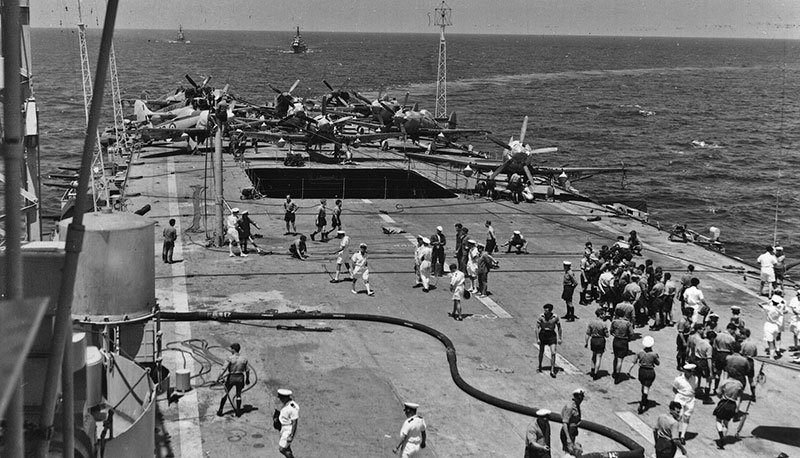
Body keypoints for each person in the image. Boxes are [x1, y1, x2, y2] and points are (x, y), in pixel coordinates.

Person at [217, 343, 250, 417]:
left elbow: (224, 369)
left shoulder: (230, 358)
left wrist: (219, 378)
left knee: (225, 393)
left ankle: (220, 410)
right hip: (240, 377)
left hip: (231, 377)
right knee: (238, 394)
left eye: (231, 349)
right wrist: (247, 379)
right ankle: (238, 411)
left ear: (234, 349)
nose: (230, 350)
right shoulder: (244, 359)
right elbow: (247, 370)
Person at [629, 336, 660, 414]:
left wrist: (629, 371)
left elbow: (633, 362)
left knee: (643, 385)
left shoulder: (640, 352)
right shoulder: (654, 354)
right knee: (647, 387)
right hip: (650, 371)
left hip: (642, 371)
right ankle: (643, 403)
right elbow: (658, 363)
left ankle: (644, 398)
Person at [714, 377, 743, 449]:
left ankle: (721, 435)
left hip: (724, 403)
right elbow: (739, 397)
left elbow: (718, 393)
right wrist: (737, 409)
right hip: (732, 405)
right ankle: (724, 437)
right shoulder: (739, 384)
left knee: (718, 420)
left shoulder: (725, 382)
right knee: (726, 423)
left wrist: (721, 395)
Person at [672, 363, 699, 444]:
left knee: (687, 417)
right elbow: (674, 389)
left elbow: (695, 388)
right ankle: (674, 434)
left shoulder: (695, 379)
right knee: (678, 416)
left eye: (692, 372)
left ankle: (682, 436)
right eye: (690, 372)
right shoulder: (678, 379)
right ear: (685, 371)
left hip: (690, 399)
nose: (691, 374)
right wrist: (680, 395)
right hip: (680, 397)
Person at [536, 303, 562, 378]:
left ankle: (552, 370)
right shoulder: (541, 316)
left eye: (546, 310)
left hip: (551, 334)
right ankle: (540, 365)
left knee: (553, 352)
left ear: (550, 311)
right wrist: (537, 338)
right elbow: (537, 328)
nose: (545, 312)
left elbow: (559, 327)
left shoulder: (555, 317)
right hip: (543, 334)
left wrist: (560, 338)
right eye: (544, 310)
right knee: (541, 351)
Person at [610, 308, 634, 383]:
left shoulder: (614, 322)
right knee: (620, 359)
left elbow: (611, 331)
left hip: (616, 340)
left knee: (615, 357)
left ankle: (614, 371)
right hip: (624, 341)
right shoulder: (627, 323)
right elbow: (631, 333)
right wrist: (628, 338)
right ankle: (617, 375)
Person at [585, 308, 609, 380]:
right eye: (604, 314)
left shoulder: (591, 322)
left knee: (593, 355)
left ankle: (592, 369)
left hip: (593, 340)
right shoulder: (604, 324)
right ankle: (596, 373)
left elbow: (587, 334)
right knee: (599, 357)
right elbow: (607, 335)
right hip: (601, 340)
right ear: (601, 315)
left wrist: (586, 343)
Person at [759, 294, 785, 358]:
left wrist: (768, 301)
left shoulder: (769, 308)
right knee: (773, 341)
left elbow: (759, 304)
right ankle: (772, 355)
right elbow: (783, 305)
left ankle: (771, 357)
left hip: (769, 325)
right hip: (776, 326)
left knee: (770, 342)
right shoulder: (779, 309)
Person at [560, 389, 584, 457]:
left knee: (572, 451)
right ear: (575, 397)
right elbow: (565, 423)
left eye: (582, 398)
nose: (581, 400)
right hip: (568, 431)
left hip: (572, 430)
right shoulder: (570, 407)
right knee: (569, 452)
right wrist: (568, 439)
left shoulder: (576, 405)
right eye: (579, 398)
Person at [276, 389, 299, 458]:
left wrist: (291, 435)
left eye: (281, 398)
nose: (280, 400)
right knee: (287, 447)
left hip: (288, 429)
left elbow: (294, 422)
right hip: (283, 428)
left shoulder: (292, 407)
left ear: (285, 398)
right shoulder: (286, 404)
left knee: (282, 449)